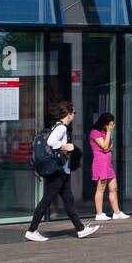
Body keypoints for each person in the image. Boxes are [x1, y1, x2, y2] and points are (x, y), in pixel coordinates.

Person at [25, 102, 99, 241]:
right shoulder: (62, 128)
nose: (74, 115)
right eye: (74, 113)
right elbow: (51, 142)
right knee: (46, 201)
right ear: (69, 114)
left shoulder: (58, 126)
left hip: (61, 172)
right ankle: (32, 230)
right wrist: (66, 146)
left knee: (68, 201)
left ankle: (80, 229)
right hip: (57, 172)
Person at [90, 112, 127, 220]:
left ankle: (117, 212)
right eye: (111, 123)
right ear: (105, 123)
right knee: (101, 188)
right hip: (100, 163)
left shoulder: (104, 132)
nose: (112, 125)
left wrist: (107, 145)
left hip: (108, 163)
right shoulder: (95, 132)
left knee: (113, 187)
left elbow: (109, 146)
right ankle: (99, 214)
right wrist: (109, 133)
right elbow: (105, 146)